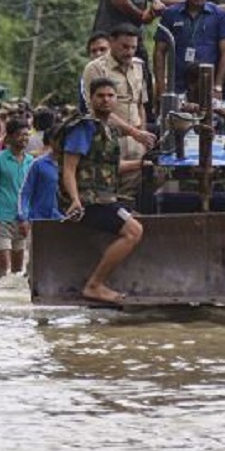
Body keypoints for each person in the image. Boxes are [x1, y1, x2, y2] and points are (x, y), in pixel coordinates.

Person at [60, 77, 146, 304]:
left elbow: (111, 168)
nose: (106, 100)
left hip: (106, 198)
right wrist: (75, 200)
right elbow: (69, 169)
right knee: (134, 231)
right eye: (100, 96)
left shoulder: (109, 129)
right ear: (91, 99)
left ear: (116, 100)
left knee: (137, 218)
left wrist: (142, 164)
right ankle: (94, 285)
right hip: (88, 201)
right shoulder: (83, 128)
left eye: (110, 96)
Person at [81, 24, 156, 199]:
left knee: (134, 192)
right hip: (108, 139)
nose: (129, 52)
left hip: (136, 140)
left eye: (133, 47)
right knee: (107, 191)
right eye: (125, 47)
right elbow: (98, 111)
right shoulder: (96, 68)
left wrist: (142, 136)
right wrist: (135, 133)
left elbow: (140, 104)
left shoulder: (139, 66)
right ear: (112, 42)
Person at [155, 0, 225, 98]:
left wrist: (218, 86)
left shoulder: (219, 15)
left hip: (208, 85)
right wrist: (161, 88)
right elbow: (159, 51)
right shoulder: (171, 14)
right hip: (177, 86)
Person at [0, 118, 34, 277]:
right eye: (20, 135)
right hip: (2, 217)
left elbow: (32, 192)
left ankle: (11, 291)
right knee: (3, 264)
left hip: (23, 219)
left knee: (18, 268)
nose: (24, 138)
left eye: (26, 135)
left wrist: (29, 218)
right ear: (10, 137)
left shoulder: (31, 161)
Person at [19, 124, 65, 223]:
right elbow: (26, 191)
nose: (63, 142)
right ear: (51, 140)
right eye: (59, 138)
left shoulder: (71, 167)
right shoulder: (38, 164)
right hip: (39, 218)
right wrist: (24, 214)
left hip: (62, 219)